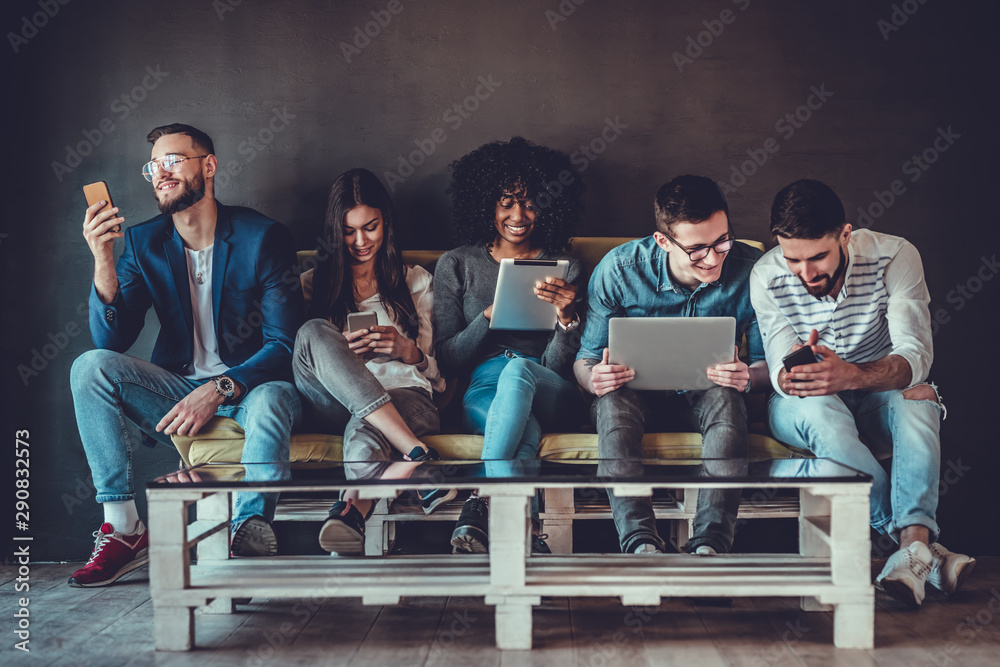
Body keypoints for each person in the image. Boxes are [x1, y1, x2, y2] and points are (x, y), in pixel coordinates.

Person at [69, 123, 303, 587]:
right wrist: (103, 260)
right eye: (154, 165)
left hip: (253, 386)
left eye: (174, 160)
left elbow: (285, 344)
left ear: (209, 166)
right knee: (88, 368)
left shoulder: (264, 238)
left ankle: (249, 529)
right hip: (176, 391)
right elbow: (111, 342)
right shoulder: (142, 243)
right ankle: (122, 527)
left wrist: (219, 388)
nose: (161, 172)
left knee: (275, 399)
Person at [750, 178, 974, 606]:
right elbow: (781, 373)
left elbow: (915, 357)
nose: (806, 273)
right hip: (800, 404)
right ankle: (916, 545)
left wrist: (850, 375)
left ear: (845, 234)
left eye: (818, 257)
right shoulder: (767, 274)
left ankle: (913, 552)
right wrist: (804, 372)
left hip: (874, 393)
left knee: (921, 398)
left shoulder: (896, 256)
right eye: (794, 259)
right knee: (822, 413)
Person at [574, 174, 767, 556]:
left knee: (729, 401)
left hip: (710, 396)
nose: (713, 258)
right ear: (663, 241)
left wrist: (749, 376)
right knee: (611, 405)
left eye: (722, 241)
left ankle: (710, 546)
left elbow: (764, 366)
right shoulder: (620, 270)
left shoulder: (752, 268)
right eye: (697, 249)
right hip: (632, 397)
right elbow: (585, 362)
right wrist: (595, 379)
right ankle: (640, 544)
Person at [433, 137, 586, 554]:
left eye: (531, 202)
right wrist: (488, 318)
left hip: (547, 383)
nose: (519, 215)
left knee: (520, 371)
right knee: (525, 431)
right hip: (483, 386)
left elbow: (558, 366)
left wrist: (566, 320)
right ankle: (526, 535)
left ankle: (479, 498)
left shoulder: (566, 267)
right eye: (506, 201)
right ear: (486, 203)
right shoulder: (457, 263)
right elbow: (447, 358)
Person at [292, 168, 449, 555]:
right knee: (313, 332)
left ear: (387, 224)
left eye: (371, 227)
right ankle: (419, 456)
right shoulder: (311, 285)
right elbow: (297, 358)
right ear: (335, 231)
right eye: (349, 231)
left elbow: (439, 376)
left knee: (362, 433)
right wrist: (341, 354)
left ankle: (348, 513)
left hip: (407, 395)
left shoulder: (415, 281)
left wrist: (405, 350)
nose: (360, 241)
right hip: (331, 400)